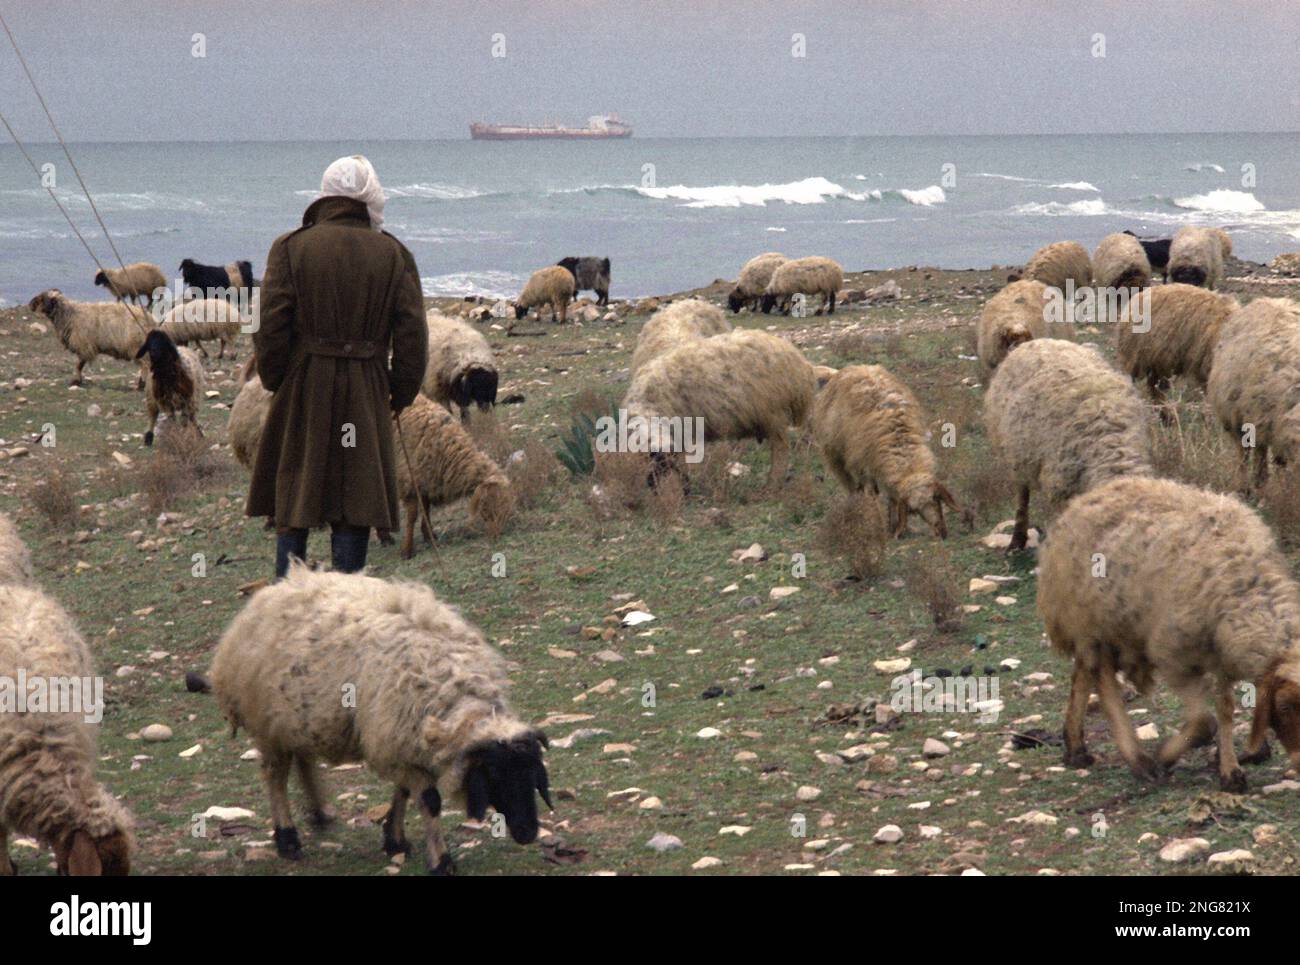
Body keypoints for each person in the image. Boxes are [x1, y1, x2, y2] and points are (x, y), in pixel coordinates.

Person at [247, 155, 428, 578]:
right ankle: (347, 608)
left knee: (295, 493)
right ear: (368, 197)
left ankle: (287, 604)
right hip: (365, 388)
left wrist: (278, 381)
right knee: (355, 499)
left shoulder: (291, 247)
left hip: (304, 384)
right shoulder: (393, 254)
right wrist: (398, 395)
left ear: (326, 195)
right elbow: (412, 339)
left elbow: (269, 327)